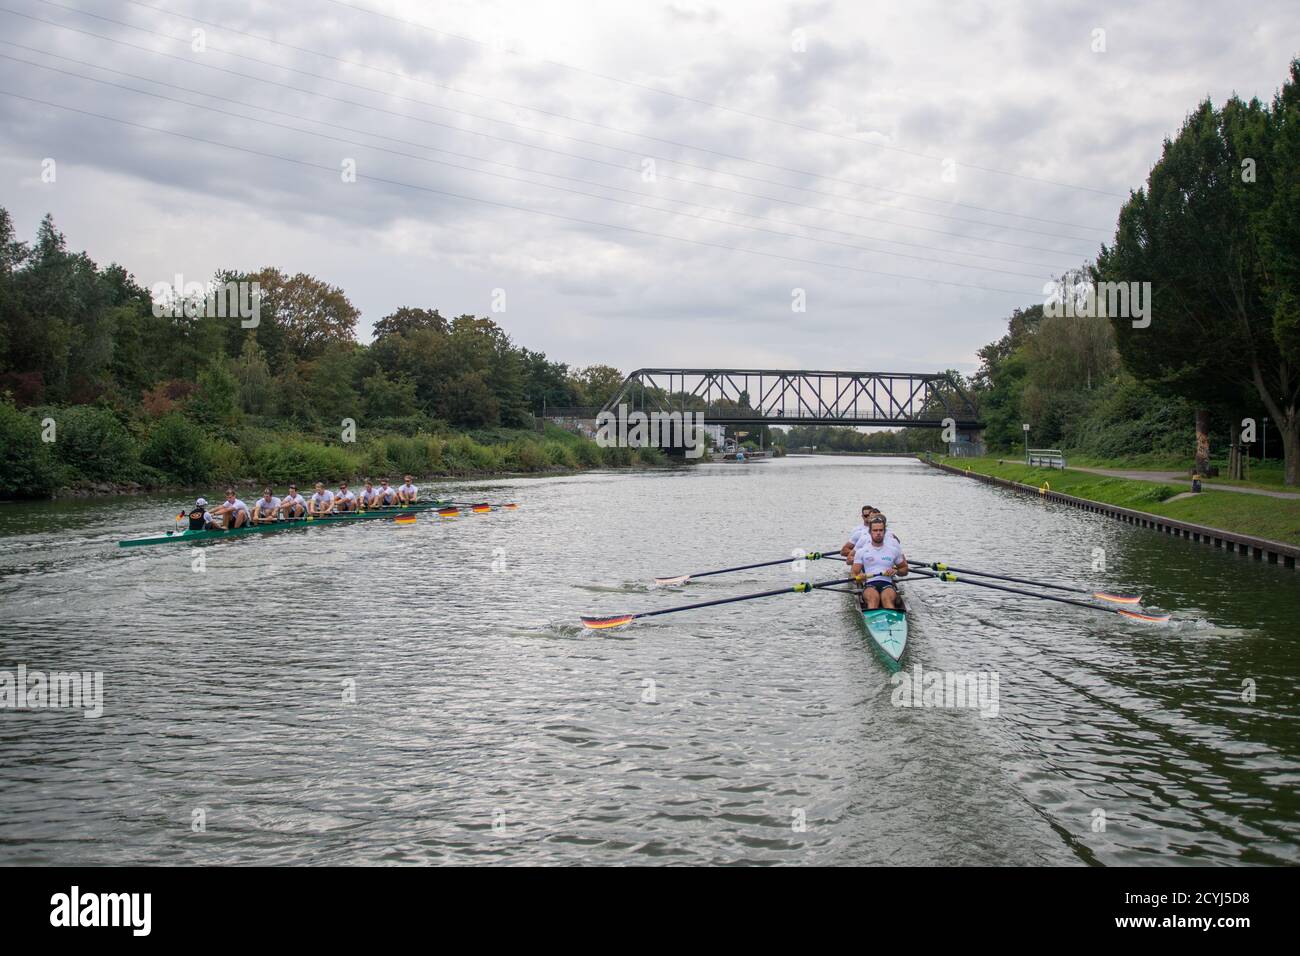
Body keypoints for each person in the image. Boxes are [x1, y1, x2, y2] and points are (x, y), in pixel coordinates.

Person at [852, 514, 908, 610]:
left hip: (887, 584)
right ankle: (872, 620)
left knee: (887, 599)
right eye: (875, 530)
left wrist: (897, 571)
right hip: (869, 583)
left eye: (880, 530)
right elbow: (854, 574)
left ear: (884, 531)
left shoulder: (893, 550)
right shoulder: (862, 552)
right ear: (870, 532)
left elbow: (905, 569)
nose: (878, 533)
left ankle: (893, 621)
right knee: (873, 598)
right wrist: (859, 577)